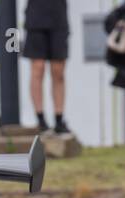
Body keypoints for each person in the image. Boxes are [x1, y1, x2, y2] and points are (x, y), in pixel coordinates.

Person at [23, 0, 72, 134]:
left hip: (58, 18)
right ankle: (41, 120)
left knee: (58, 72)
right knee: (38, 69)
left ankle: (59, 119)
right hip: (36, 19)